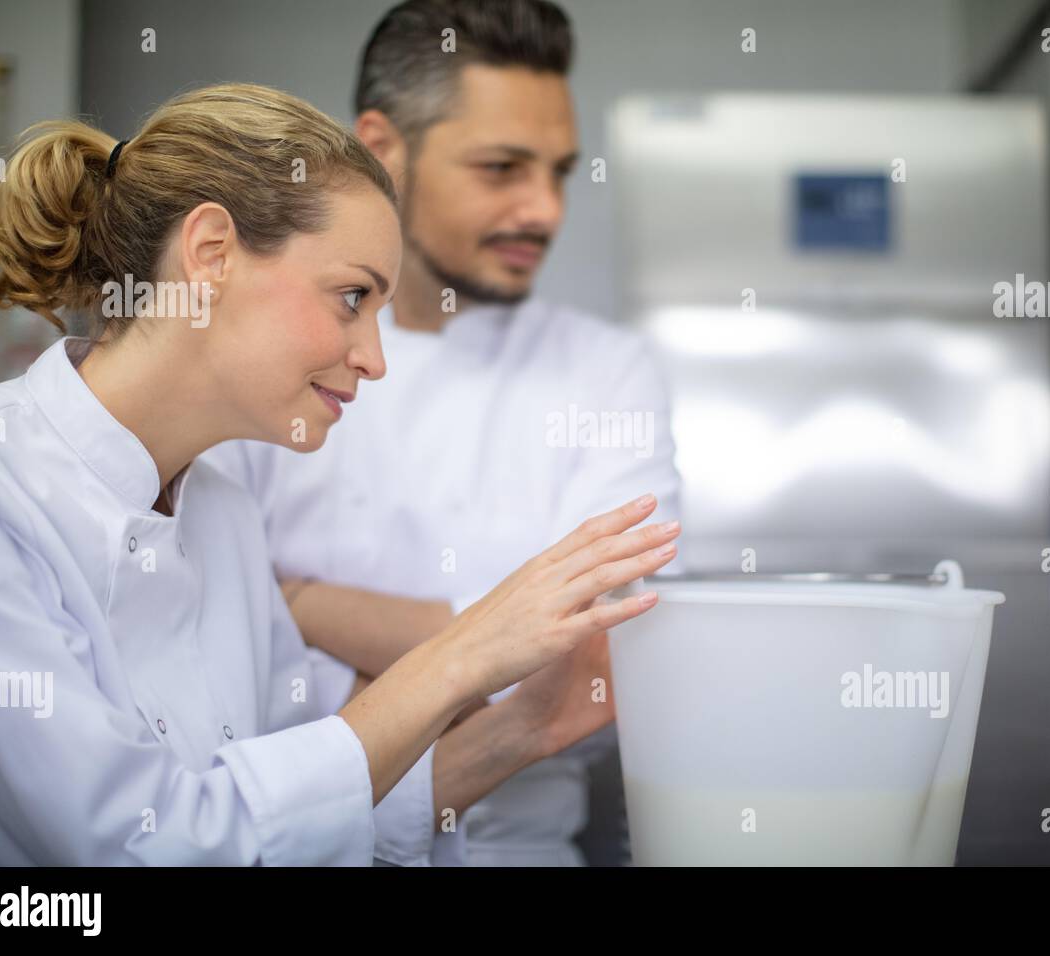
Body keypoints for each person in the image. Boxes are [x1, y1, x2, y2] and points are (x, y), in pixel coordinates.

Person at [0, 82, 679, 865]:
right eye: (352, 296)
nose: (374, 358)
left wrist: (521, 727)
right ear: (211, 255)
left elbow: (313, 798)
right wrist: (459, 652)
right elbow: (147, 847)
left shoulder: (220, 511)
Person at [203, 0, 681, 867]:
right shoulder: (257, 363)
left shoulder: (606, 371)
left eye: (561, 171)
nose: (544, 209)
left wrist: (298, 603)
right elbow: (214, 660)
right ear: (382, 148)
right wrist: (496, 645)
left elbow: (611, 648)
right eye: (502, 167)